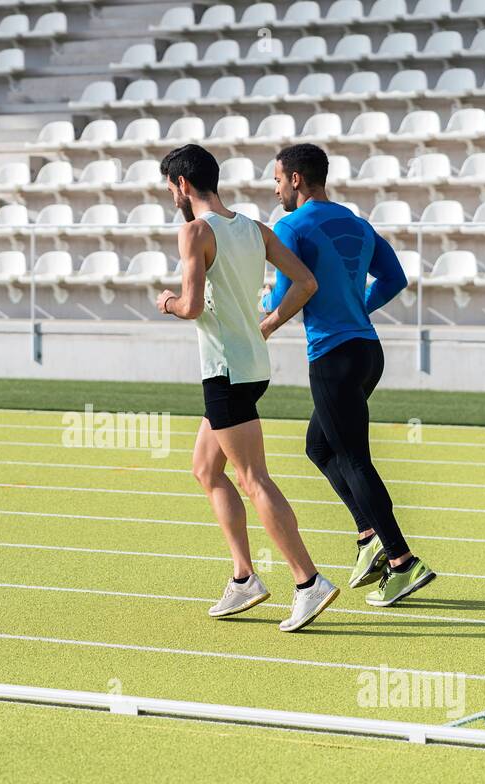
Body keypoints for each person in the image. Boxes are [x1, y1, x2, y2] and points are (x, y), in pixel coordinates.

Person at [156, 144, 339, 633]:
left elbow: (193, 306)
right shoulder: (255, 228)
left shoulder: (194, 231)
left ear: (182, 186)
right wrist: (267, 324)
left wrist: (169, 302)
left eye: (170, 188)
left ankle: (308, 581)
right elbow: (305, 282)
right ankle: (244, 577)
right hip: (252, 364)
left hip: (226, 370)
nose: (172, 196)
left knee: (252, 478)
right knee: (204, 468)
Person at [264, 143, 436, 607]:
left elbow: (286, 293)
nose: (275, 188)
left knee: (355, 458)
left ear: (296, 179)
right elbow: (394, 279)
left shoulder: (290, 226)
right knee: (320, 446)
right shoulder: (357, 223)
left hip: (333, 355)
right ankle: (369, 536)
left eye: (277, 179)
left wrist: (261, 319)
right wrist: (359, 305)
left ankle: (402, 561)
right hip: (367, 352)